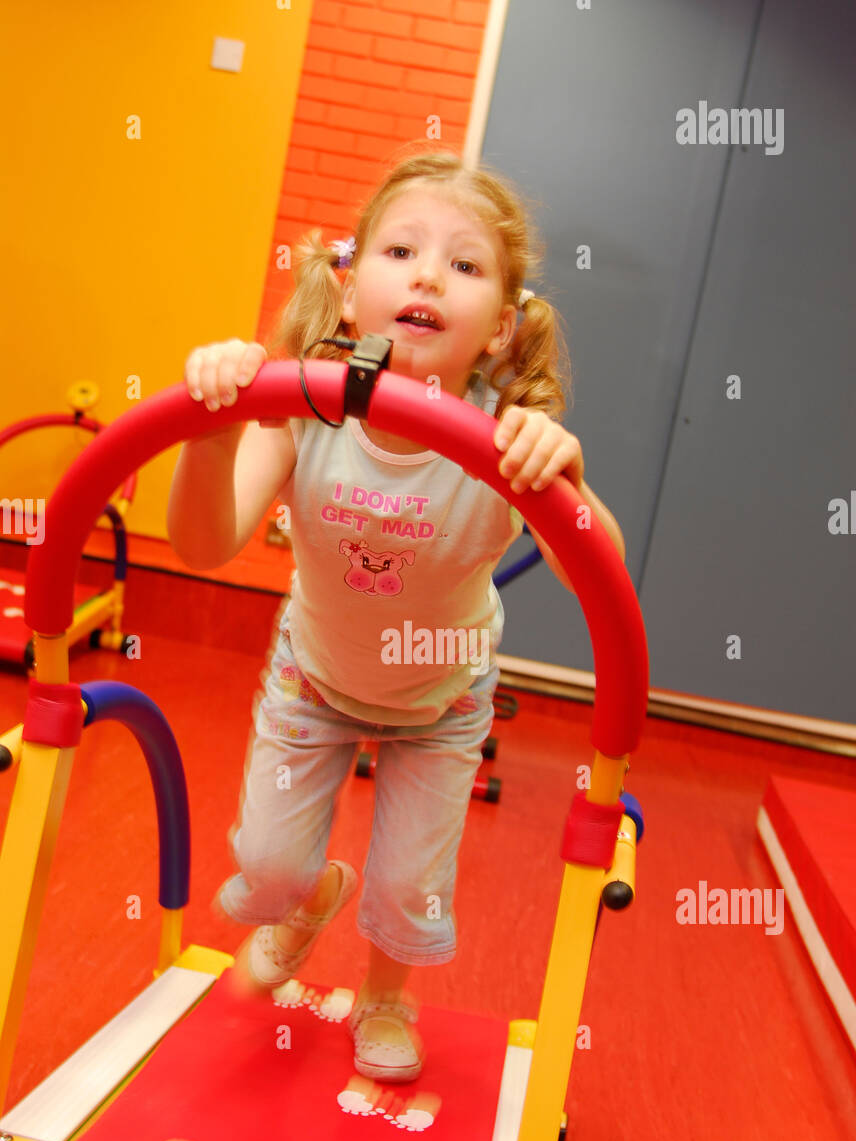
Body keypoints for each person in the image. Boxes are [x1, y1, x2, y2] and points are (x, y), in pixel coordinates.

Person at [168, 149, 625, 1084]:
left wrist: (568, 477)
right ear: (347, 293)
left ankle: (385, 996)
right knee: (266, 866)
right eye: (402, 251)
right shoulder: (300, 411)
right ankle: (307, 902)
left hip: (444, 697)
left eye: (463, 265)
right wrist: (210, 440)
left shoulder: (506, 443)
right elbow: (205, 546)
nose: (426, 274)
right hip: (316, 676)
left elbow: (600, 580)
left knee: (409, 883)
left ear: (500, 329)